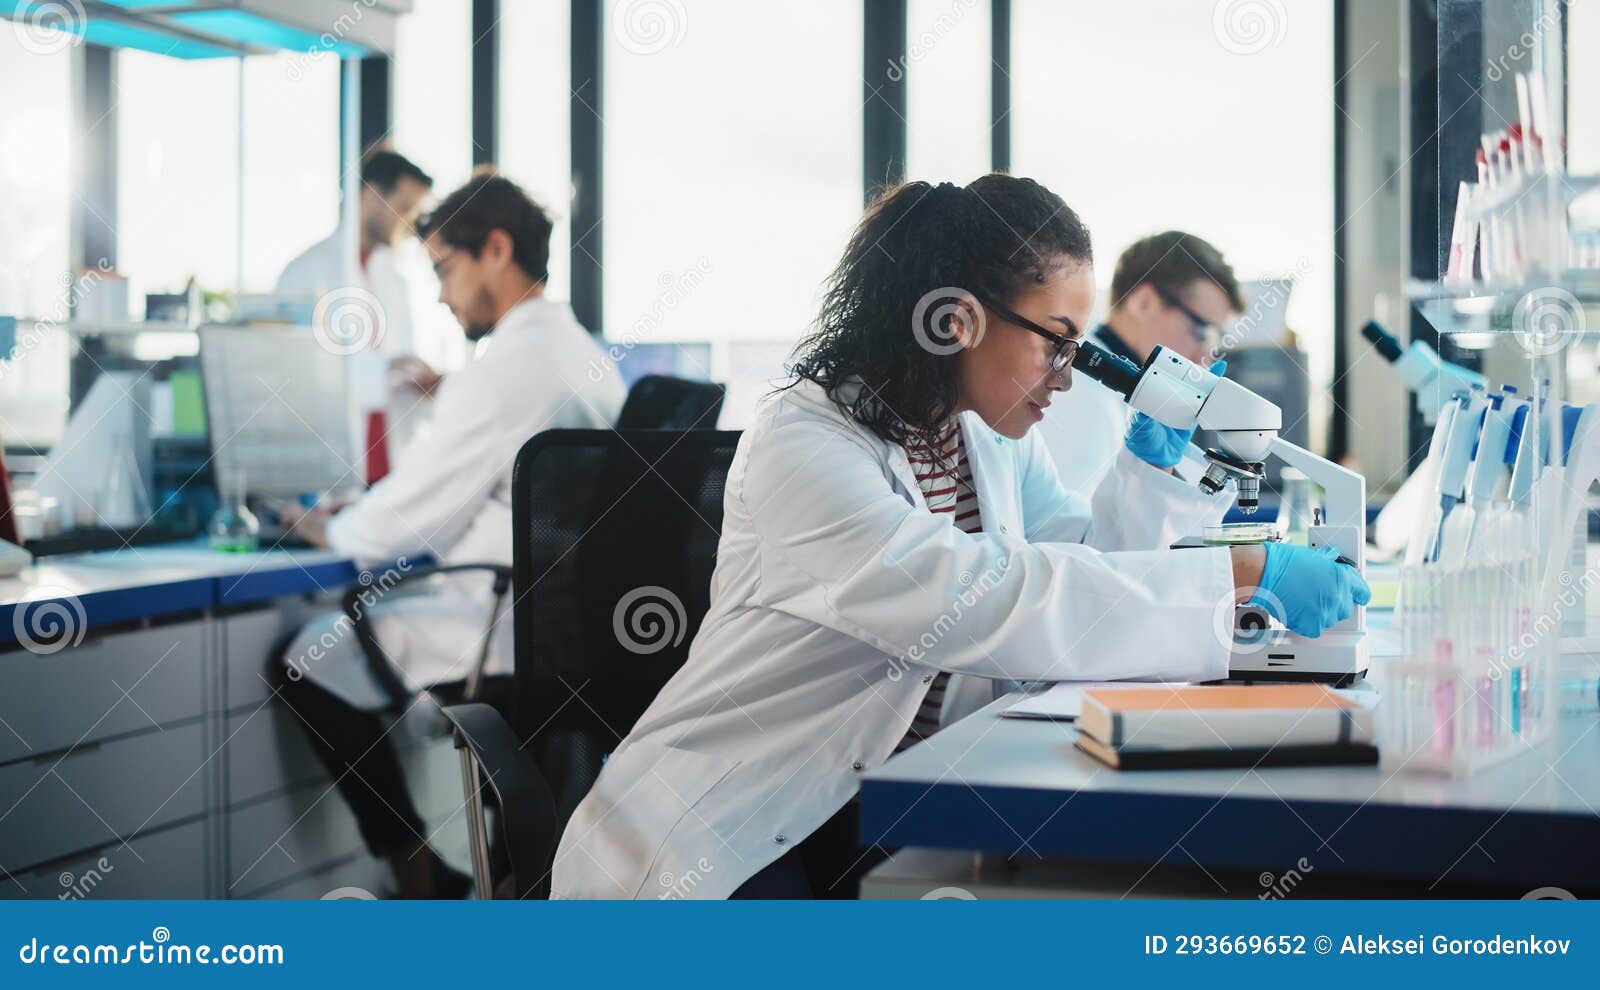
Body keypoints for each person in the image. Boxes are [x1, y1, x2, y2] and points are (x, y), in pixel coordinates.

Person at [550, 176, 1368, 900]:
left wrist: (1148, 480)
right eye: (1054, 340)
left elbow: (1077, 561)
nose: (1069, 372)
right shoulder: (804, 442)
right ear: (956, 319)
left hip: (890, 801)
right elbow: (980, 597)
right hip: (732, 829)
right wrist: (1239, 574)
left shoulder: (984, 435)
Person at [275, 174, 628, 898]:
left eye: (444, 269)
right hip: (572, 637)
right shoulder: (583, 355)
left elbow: (408, 522)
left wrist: (330, 529)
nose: (438, 294)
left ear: (495, 250)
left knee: (303, 661)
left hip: (498, 627)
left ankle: (420, 877)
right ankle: (457, 874)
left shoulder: (502, 371)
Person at [1035, 230, 1245, 497]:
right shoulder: (1080, 395)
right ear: (1144, 302)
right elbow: (1085, 535)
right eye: (1200, 330)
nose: (1207, 353)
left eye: (1218, 336)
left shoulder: (1129, 398)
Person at [277, 149, 434, 359]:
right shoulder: (303, 272)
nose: (410, 225)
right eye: (405, 209)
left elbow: (403, 353)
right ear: (371, 195)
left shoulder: (396, 276)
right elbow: (295, 363)